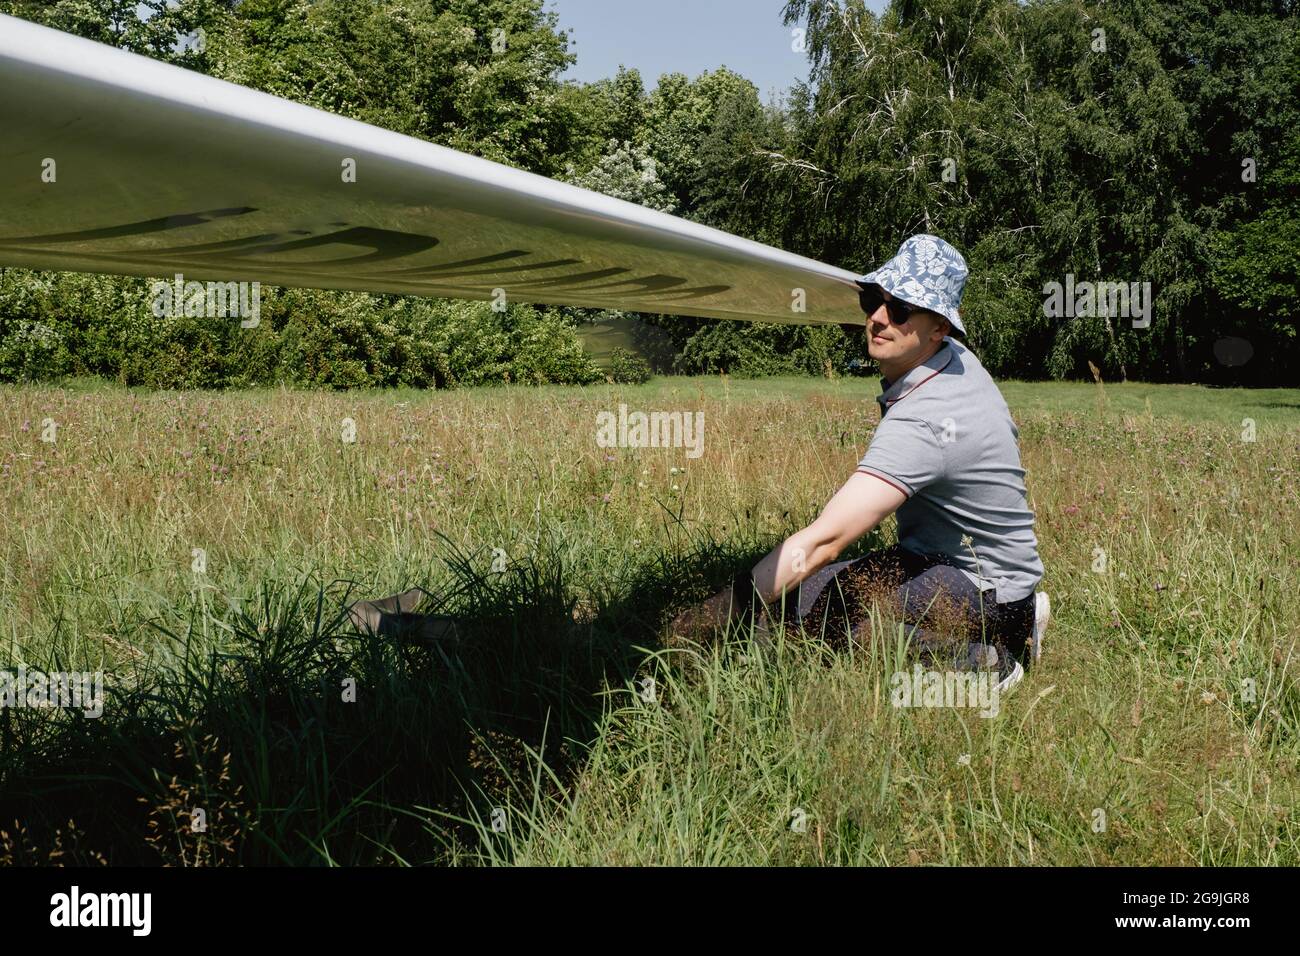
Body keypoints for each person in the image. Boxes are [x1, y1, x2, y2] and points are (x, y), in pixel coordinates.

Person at [671, 234, 1050, 692]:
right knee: (808, 598)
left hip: (978, 582)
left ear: (940, 328)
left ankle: (986, 657)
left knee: (820, 626)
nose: (877, 318)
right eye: (873, 300)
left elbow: (823, 543)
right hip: (958, 565)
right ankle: (1012, 619)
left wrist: (708, 616)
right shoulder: (953, 360)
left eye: (901, 309)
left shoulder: (927, 419)